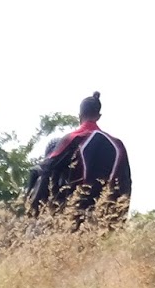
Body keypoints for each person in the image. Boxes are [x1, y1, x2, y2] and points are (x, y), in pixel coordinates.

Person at [26, 92, 131, 226]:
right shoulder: (117, 144)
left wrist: (34, 204)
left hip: (75, 210)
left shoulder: (74, 138)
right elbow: (126, 182)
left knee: (38, 171)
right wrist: (120, 219)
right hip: (106, 212)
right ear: (98, 116)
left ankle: (31, 218)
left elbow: (46, 167)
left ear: (79, 115)